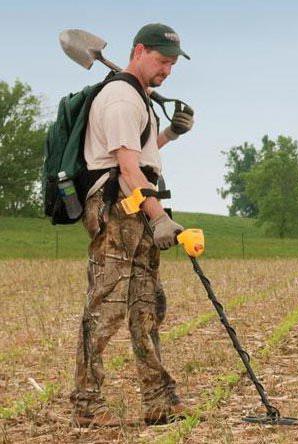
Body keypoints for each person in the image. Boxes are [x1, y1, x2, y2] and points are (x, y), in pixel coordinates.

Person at [69, 23, 194, 427]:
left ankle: (158, 401)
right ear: (139, 51)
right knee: (107, 306)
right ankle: (87, 404)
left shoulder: (136, 97)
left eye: (173, 64)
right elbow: (125, 167)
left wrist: (170, 134)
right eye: (162, 61)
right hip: (117, 210)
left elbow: (140, 154)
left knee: (147, 305)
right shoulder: (121, 98)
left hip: (136, 207)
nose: (168, 71)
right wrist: (159, 217)